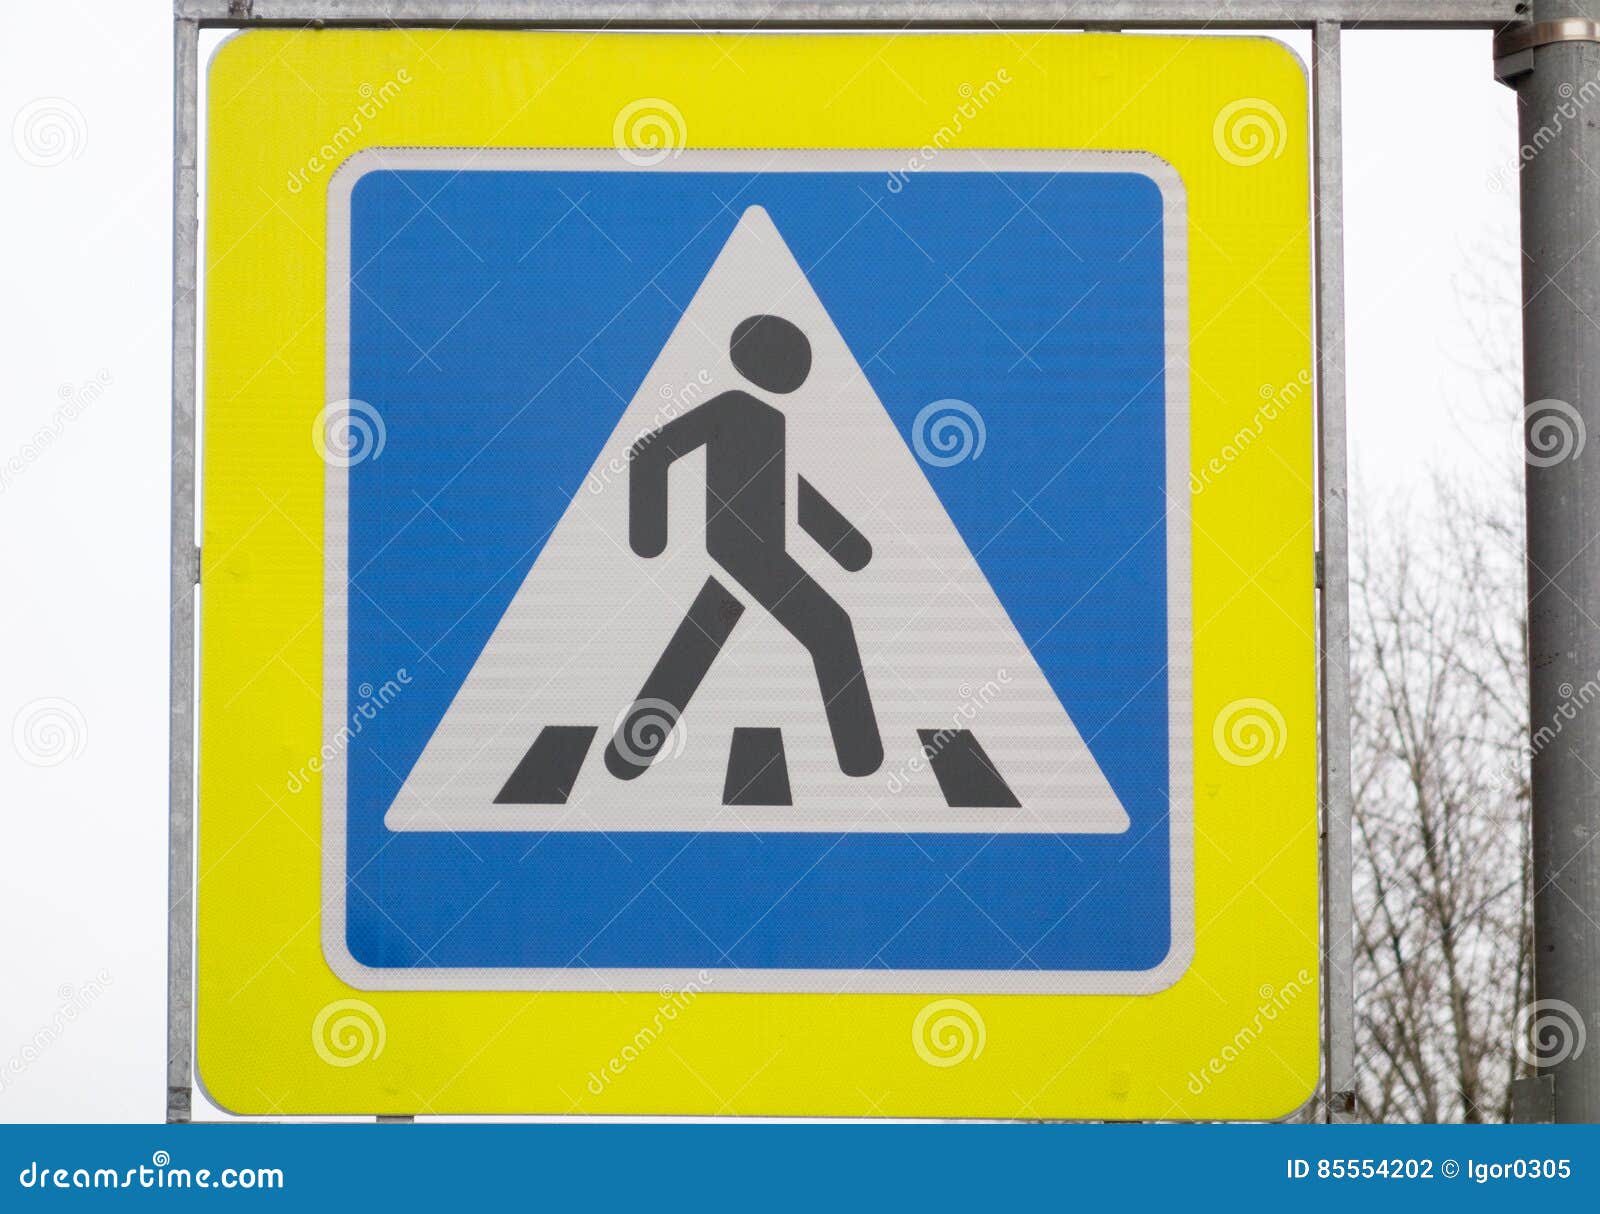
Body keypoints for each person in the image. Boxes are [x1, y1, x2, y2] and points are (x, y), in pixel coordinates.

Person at [605, 314, 884, 780]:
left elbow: (788, 493)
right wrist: (650, 537)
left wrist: (846, 546)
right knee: (832, 629)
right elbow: (653, 452)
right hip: (745, 553)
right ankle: (861, 759)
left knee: (699, 641)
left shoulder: (769, 420)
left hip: (753, 553)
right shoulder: (731, 407)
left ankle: (629, 754)